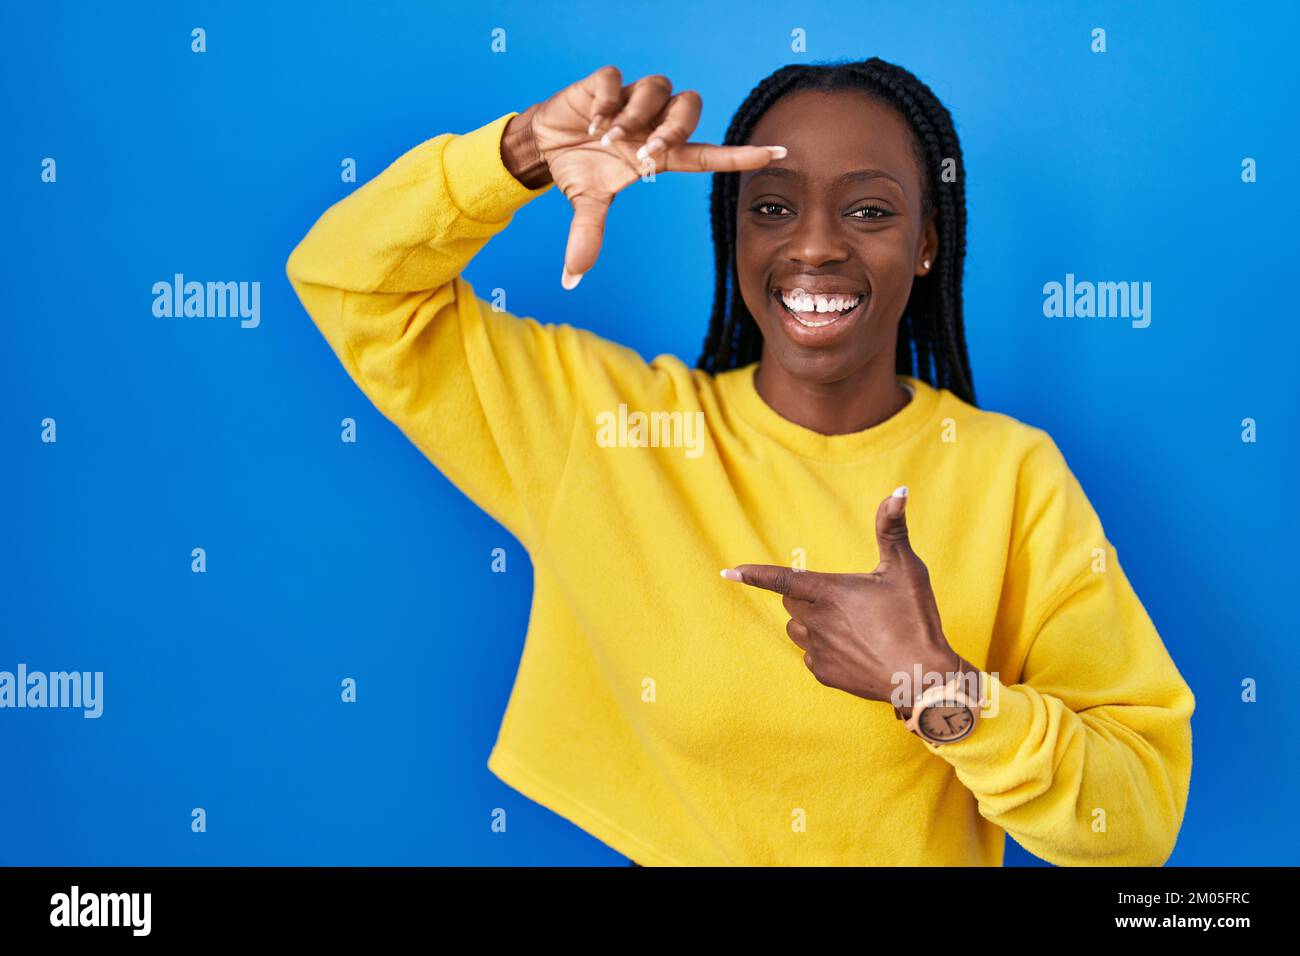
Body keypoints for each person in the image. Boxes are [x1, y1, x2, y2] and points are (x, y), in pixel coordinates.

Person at [285, 59, 1195, 866]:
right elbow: (345, 278)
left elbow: (1138, 819)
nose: (814, 246)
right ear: (735, 236)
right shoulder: (606, 429)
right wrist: (517, 155)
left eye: (870, 210)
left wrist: (938, 688)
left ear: (926, 244)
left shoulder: (1012, 476)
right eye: (772, 208)